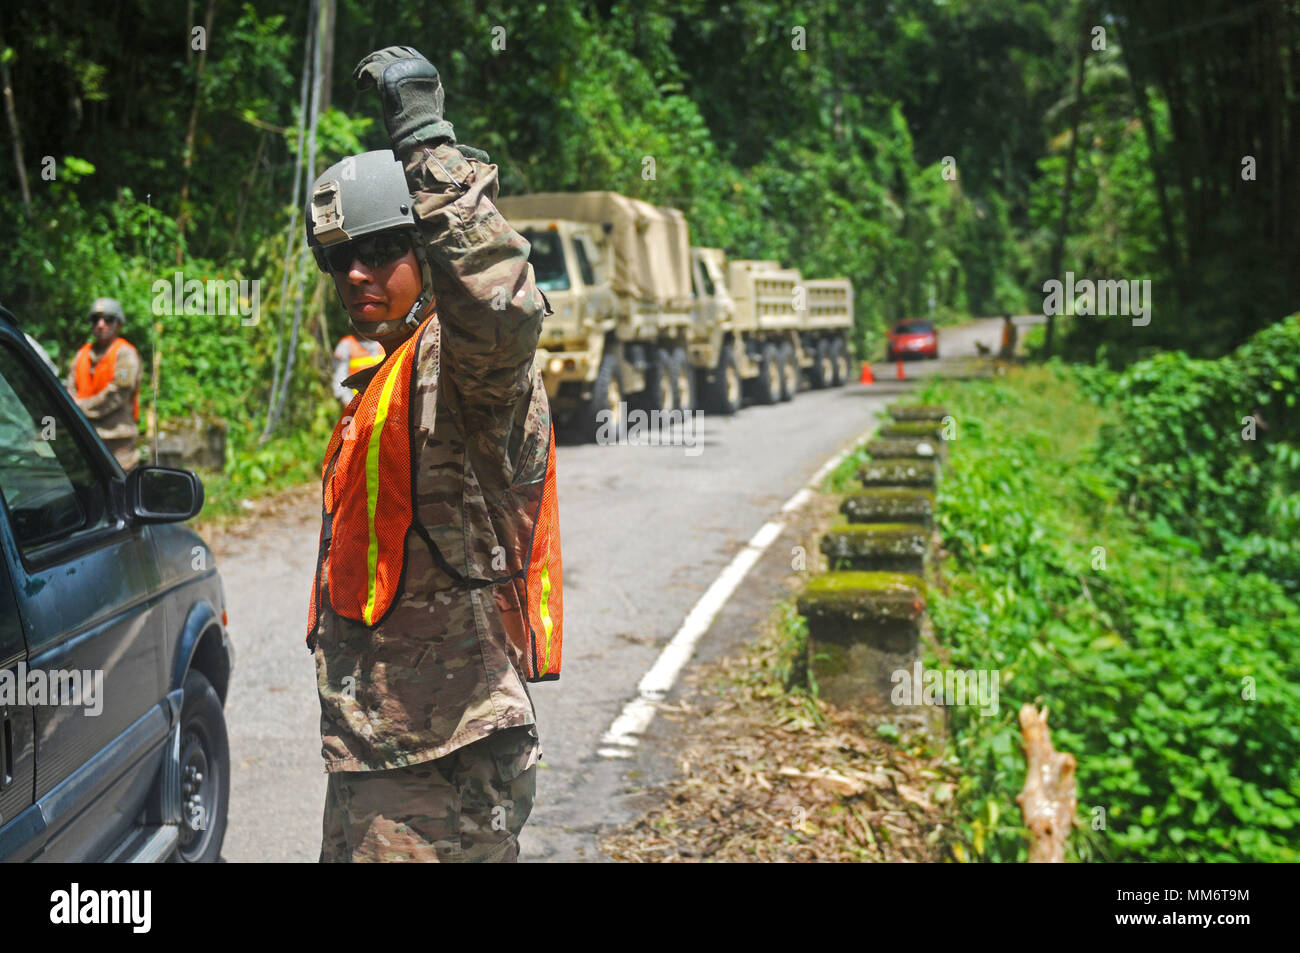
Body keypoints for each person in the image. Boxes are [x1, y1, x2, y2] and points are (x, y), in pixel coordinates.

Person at [304, 46, 563, 863]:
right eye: (338, 258)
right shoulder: (377, 378)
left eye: (380, 250)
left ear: (426, 251)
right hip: (376, 756)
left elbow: (501, 302)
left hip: (440, 763)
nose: (357, 273)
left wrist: (425, 139)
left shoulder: (464, 368)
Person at [65, 297, 141, 470]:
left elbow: (118, 394)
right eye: (95, 319)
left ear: (119, 324)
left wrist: (80, 408)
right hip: (85, 437)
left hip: (116, 443)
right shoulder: (82, 354)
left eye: (108, 319)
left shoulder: (125, 354)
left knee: (119, 490)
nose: (101, 324)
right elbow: (70, 389)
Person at [331, 332, 384, 405]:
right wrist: (352, 407)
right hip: (357, 404)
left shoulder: (385, 342)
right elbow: (340, 380)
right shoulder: (346, 345)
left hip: (384, 405)